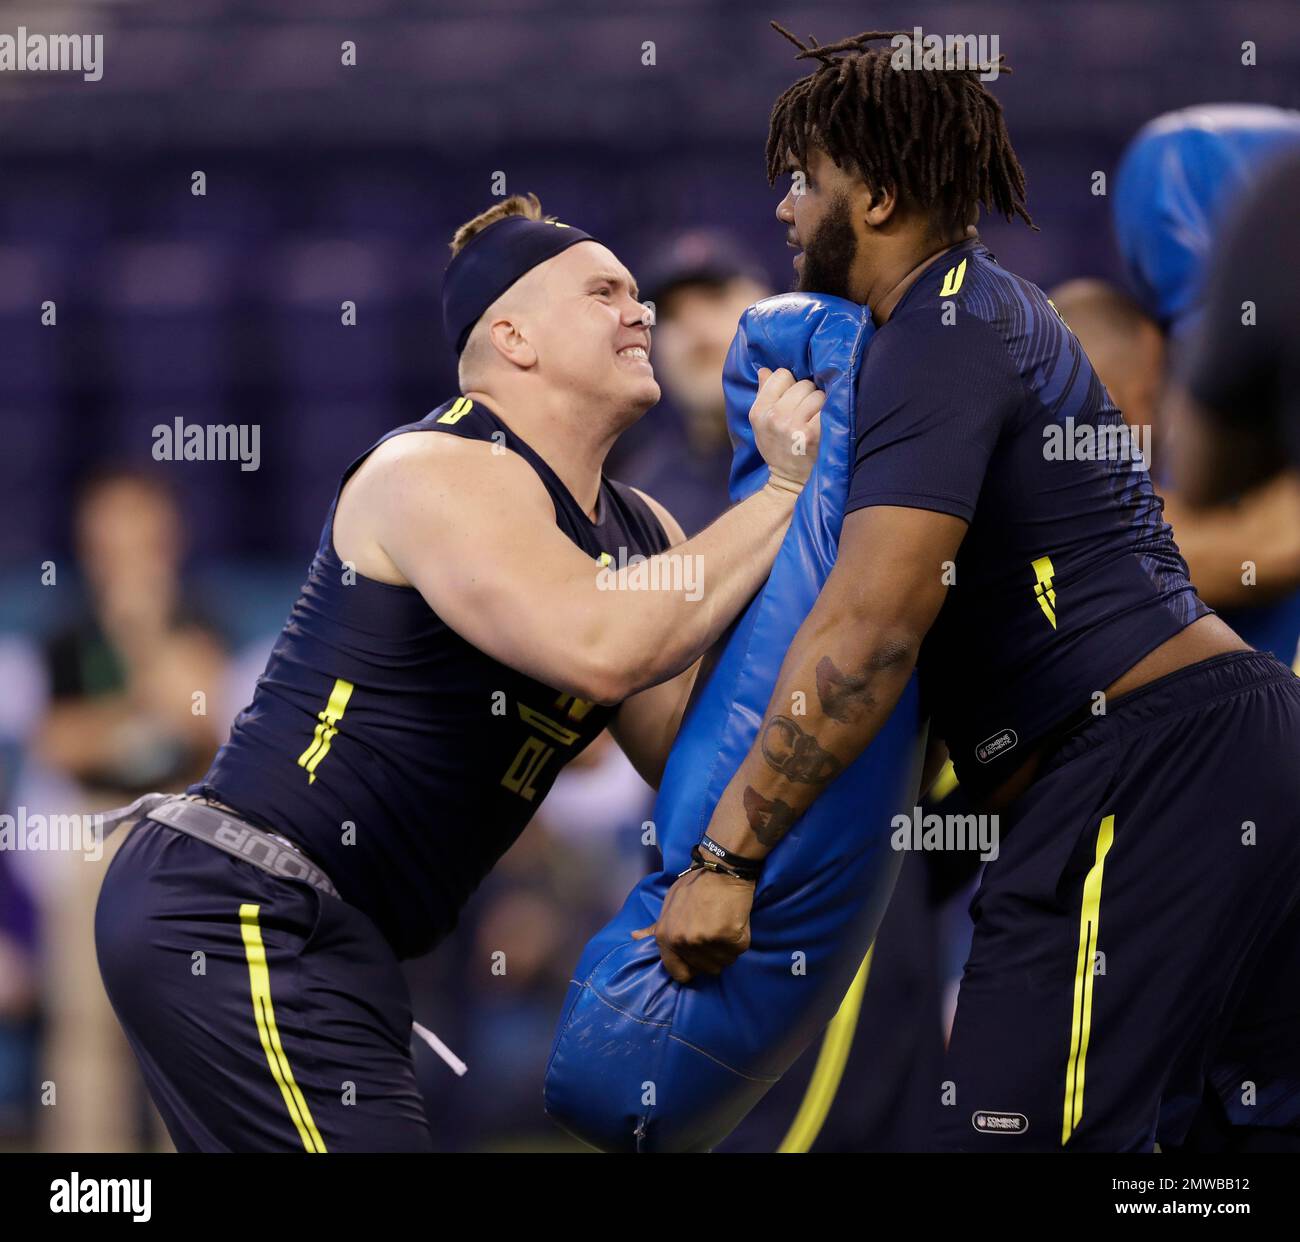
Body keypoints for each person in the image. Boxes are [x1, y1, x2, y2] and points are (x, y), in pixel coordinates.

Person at [639, 26, 1300, 1152]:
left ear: (882, 196)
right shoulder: (974, 317)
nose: (788, 211)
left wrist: (724, 857)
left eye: (807, 182)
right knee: (1209, 1155)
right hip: (1194, 762)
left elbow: (871, 629)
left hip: (1139, 777)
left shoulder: (938, 332)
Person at [93, 193, 824, 1152]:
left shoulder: (644, 529)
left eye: (634, 294)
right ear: (513, 335)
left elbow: (691, 760)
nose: (638, 312)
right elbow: (603, 645)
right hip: (240, 910)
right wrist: (782, 491)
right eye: (604, 292)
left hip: (337, 938)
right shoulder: (438, 466)